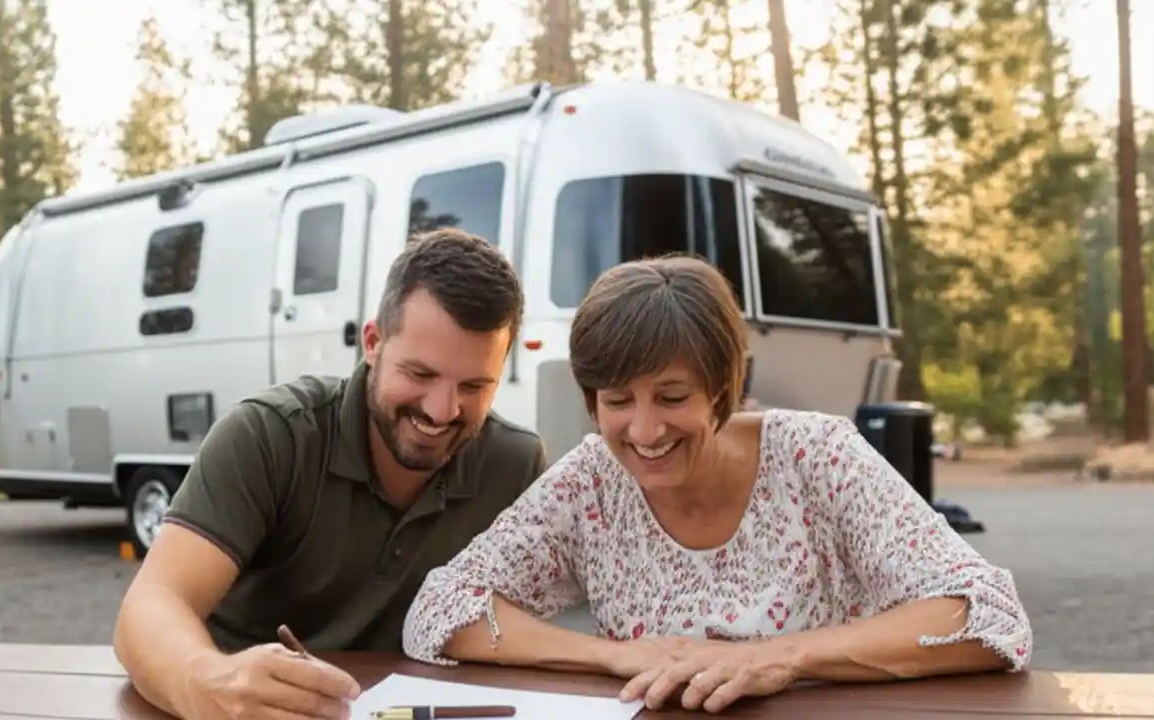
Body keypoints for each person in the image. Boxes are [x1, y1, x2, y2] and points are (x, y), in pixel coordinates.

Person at [401, 255, 1032, 714]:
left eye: (672, 397)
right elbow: (438, 611)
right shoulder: (591, 483)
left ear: (722, 389)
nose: (644, 430)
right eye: (617, 401)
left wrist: (780, 657)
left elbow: (989, 615)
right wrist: (615, 655)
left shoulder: (817, 455)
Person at [114, 229, 548, 720]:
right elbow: (150, 605)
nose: (442, 409)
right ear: (373, 343)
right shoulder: (270, 435)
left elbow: (511, 636)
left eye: (473, 386)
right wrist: (210, 683)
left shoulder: (515, 465)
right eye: (420, 374)